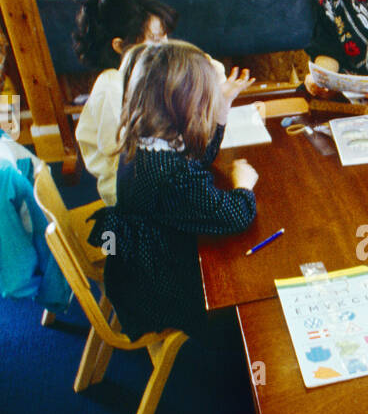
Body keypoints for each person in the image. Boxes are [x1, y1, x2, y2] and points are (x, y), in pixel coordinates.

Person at [87, 41, 259, 338]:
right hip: (160, 289)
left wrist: (222, 109)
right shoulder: (169, 174)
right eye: (206, 98)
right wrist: (244, 184)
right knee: (244, 276)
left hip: (137, 267)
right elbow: (234, 215)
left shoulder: (146, 137)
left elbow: (199, 159)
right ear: (184, 107)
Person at [71, 0, 178, 204]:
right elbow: (125, 150)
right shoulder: (111, 86)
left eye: (165, 36)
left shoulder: (142, 73)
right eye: (155, 39)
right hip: (127, 192)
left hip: (149, 171)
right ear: (120, 46)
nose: (165, 46)